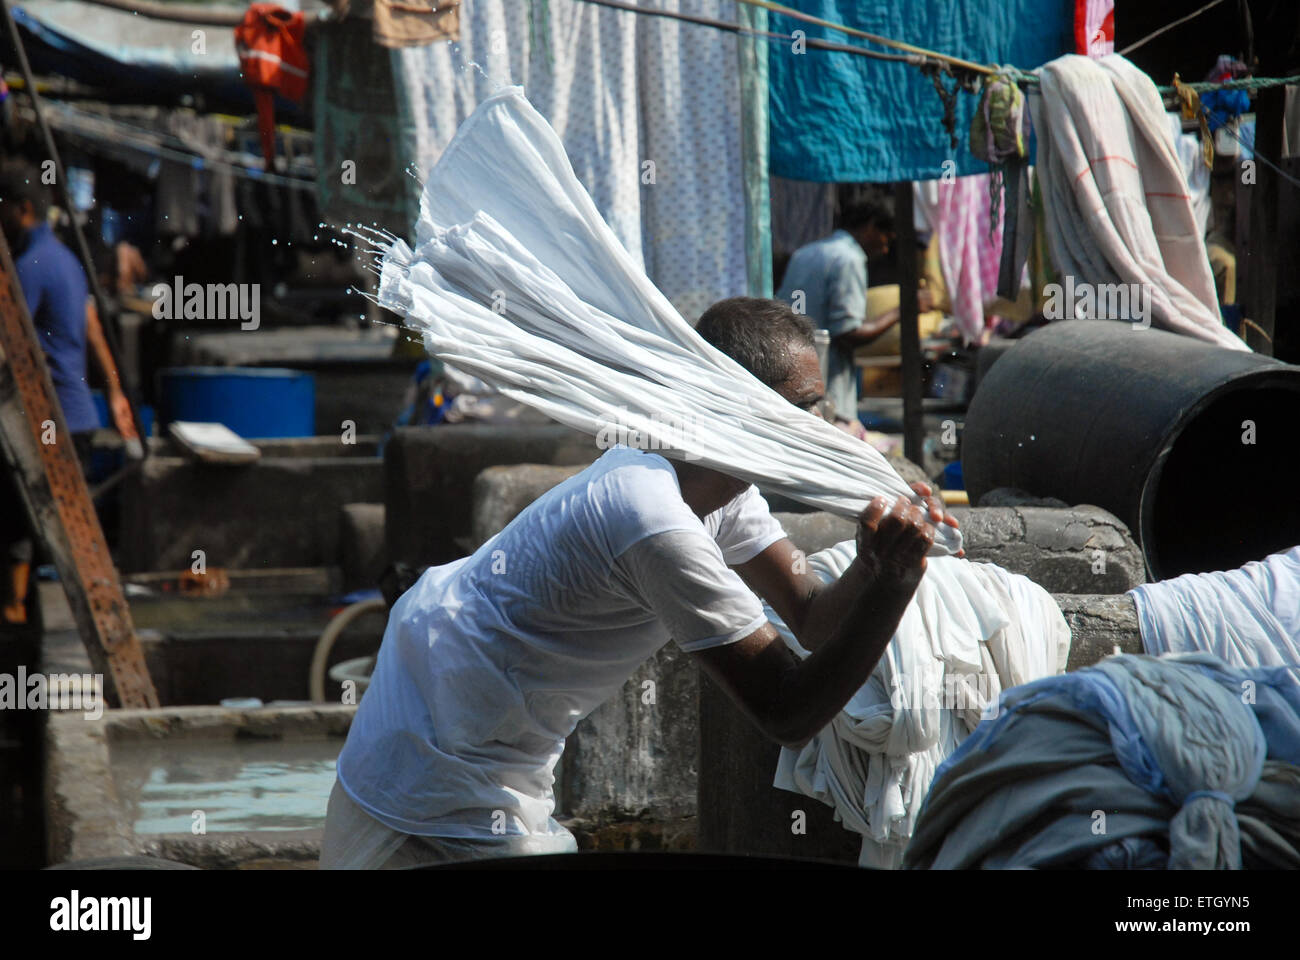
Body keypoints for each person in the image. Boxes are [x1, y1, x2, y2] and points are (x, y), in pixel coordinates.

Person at [320, 296, 960, 868]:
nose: (819, 429)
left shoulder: (722, 487)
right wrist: (894, 583)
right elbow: (787, 711)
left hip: (484, 715)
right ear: (737, 408)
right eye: (800, 411)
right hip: (444, 730)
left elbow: (814, 615)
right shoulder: (649, 512)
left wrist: (877, 561)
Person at [0, 159, 134, 624]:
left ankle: (16, 611)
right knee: (66, 519)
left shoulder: (29, 266)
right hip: (79, 420)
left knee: (22, 516)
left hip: (49, 421)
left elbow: (8, 342)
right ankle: (82, 606)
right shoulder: (67, 260)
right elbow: (93, 326)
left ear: (21, 211)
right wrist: (115, 393)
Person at [776, 200, 935, 428]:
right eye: (886, 239)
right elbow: (848, 333)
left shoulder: (806, 253)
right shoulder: (849, 259)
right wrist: (905, 309)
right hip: (827, 394)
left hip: (794, 386)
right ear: (870, 227)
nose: (885, 249)